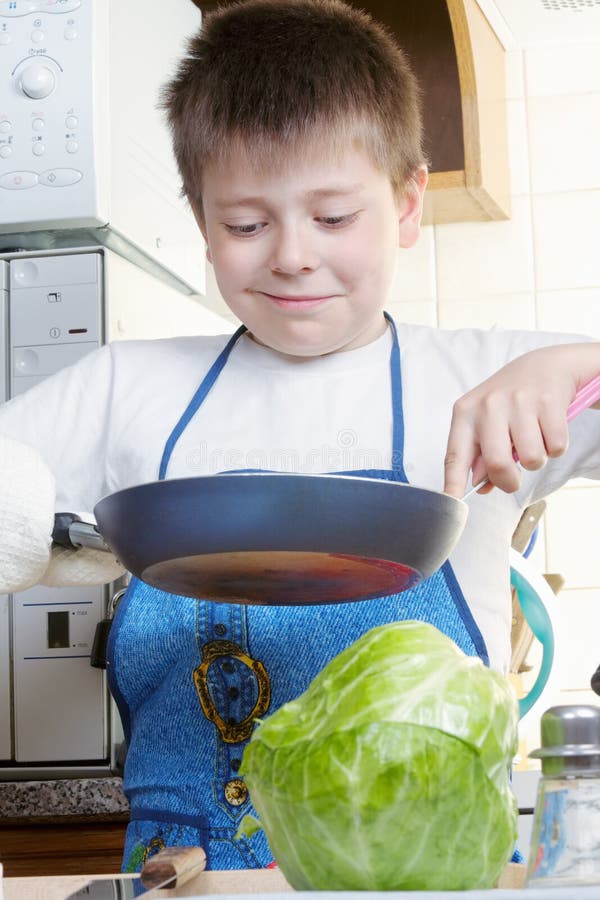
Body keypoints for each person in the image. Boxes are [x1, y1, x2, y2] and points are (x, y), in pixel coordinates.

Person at [0, 0, 599, 873]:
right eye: (246, 224)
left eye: (333, 217)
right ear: (202, 222)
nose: (290, 255)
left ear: (405, 203)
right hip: (179, 878)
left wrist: (585, 364)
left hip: (421, 876)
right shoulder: (123, 388)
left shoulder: (480, 374)